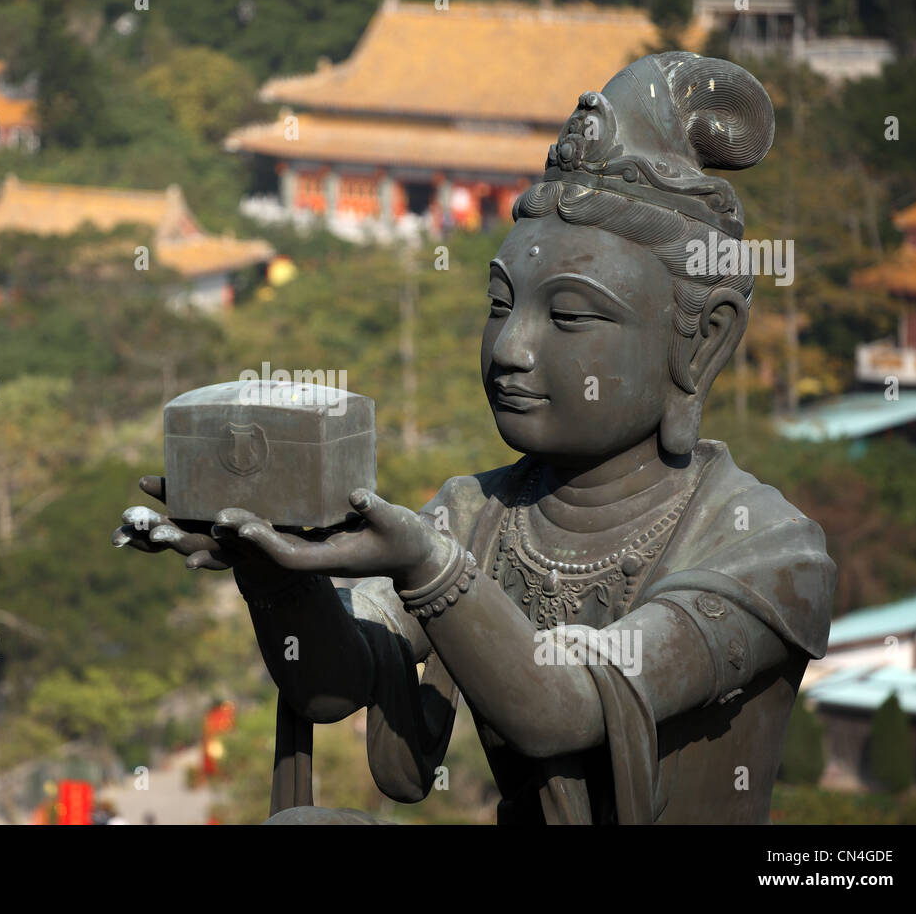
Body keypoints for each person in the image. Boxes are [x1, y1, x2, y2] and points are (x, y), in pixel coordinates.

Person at [113, 52, 835, 824]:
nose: (511, 348)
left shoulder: (764, 549)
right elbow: (334, 688)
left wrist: (429, 567)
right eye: (500, 304)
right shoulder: (479, 511)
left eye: (568, 316)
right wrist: (277, 574)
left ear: (701, 342)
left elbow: (562, 709)